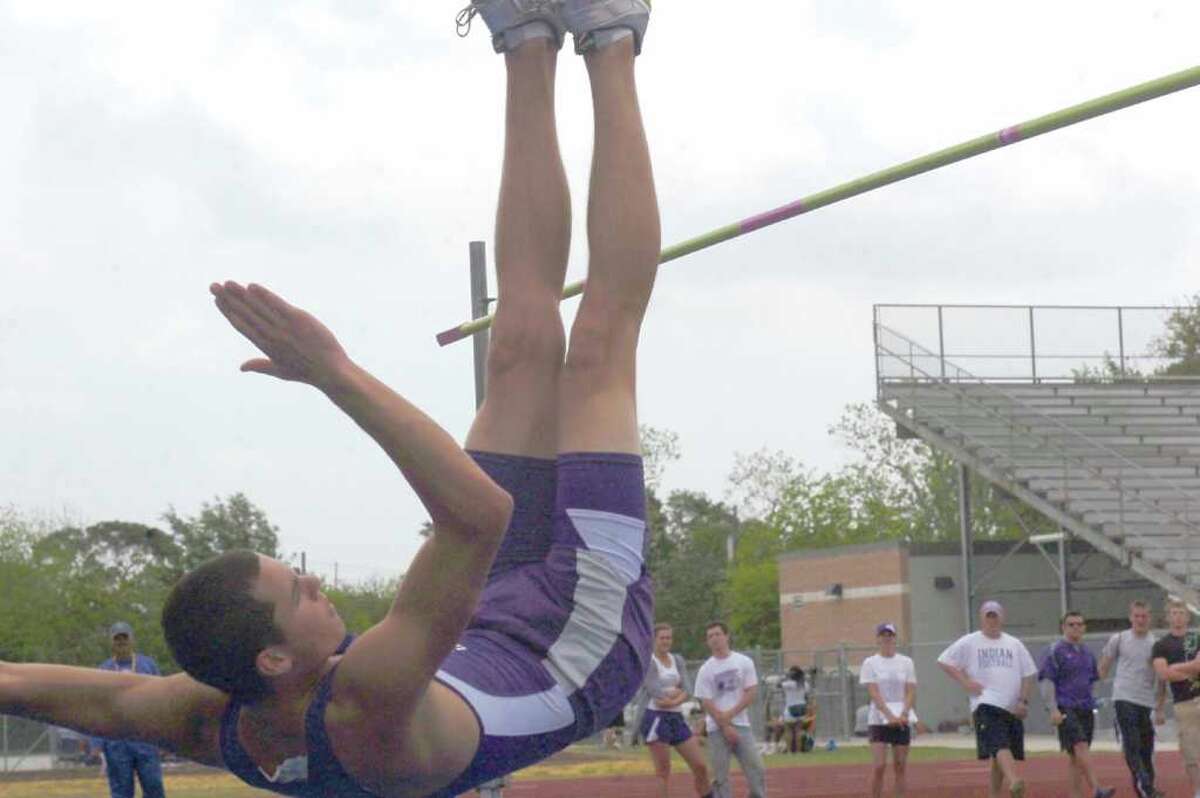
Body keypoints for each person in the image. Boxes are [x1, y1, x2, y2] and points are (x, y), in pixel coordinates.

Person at [0, 2, 661, 795]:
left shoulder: (221, 715)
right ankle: (613, 34)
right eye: (297, 590)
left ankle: (525, 38)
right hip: (578, 641)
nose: (315, 582)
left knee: (519, 340)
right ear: (276, 658)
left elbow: (100, 696)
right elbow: (479, 517)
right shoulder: (367, 711)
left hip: (473, 618)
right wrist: (333, 371)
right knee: (595, 351)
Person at [937, 600, 1037, 798]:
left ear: (1002, 618)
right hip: (986, 704)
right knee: (1000, 745)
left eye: (995, 616)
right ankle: (1015, 781)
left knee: (997, 755)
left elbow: (1028, 674)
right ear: (982, 618)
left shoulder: (1014, 644)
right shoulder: (970, 641)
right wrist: (965, 682)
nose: (992, 620)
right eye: (988, 616)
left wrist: (1023, 701)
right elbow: (944, 661)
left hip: (1011, 707)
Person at [1037, 612, 1116, 798]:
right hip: (1066, 706)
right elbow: (1046, 681)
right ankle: (1096, 788)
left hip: (1085, 707)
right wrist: (1053, 708)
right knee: (1080, 745)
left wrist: (1094, 700)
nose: (1076, 628)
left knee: (1076, 756)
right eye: (1071, 624)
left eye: (1079, 624)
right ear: (1063, 627)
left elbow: (1094, 680)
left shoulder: (1087, 653)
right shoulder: (1055, 651)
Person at [1098, 599, 1167, 798]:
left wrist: (1160, 706)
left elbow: (1161, 679)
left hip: (1146, 701)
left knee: (1147, 747)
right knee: (1132, 744)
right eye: (1137, 616)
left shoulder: (1156, 644)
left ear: (1150, 618)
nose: (1140, 620)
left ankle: (1147, 787)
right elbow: (1104, 665)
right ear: (1130, 617)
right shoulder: (1119, 639)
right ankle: (1145, 786)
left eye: (1144, 616)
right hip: (1123, 698)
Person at [91, 622, 167, 798]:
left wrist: (165, 739)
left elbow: (162, 702)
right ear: (111, 641)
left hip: (146, 738)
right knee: (121, 791)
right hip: (116, 741)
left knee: (154, 787)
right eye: (117, 638)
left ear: (132, 640)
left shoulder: (148, 665)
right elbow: (97, 707)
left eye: (124, 637)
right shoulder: (104, 670)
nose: (121, 642)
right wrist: (96, 743)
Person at [635, 623, 712, 798]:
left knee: (700, 766)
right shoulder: (648, 661)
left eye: (669, 637)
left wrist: (675, 697)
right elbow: (658, 697)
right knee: (663, 771)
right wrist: (677, 694)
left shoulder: (677, 660)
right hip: (655, 718)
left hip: (677, 718)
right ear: (654, 639)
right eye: (662, 638)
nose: (666, 641)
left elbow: (688, 689)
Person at [694, 621, 767, 798]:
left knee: (756, 769)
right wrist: (725, 725)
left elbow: (751, 692)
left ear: (727, 636)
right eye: (710, 636)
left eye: (718, 634)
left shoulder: (744, 662)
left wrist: (731, 714)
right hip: (716, 729)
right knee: (720, 777)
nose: (714, 639)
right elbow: (706, 701)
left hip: (742, 724)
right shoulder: (705, 670)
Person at [860, 622, 917, 798]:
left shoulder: (906, 662)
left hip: (901, 716)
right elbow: (874, 692)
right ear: (878, 639)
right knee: (879, 766)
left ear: (895, 638)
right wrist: (888, 715)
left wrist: (904, 713)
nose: (887, 638)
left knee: (900, 765)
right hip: (879, 718)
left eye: (890, 635)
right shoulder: (870, 662)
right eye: (883, 635)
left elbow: (910, 690)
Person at [1152, 598, 1200, 798]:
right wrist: (1160, 707)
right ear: (1167, 617)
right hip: (1183, 702)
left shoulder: (1196, 639)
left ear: (1188, 617)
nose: (1178, 617)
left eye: (1181, 613)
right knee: (1190, 751)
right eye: (1174, 613)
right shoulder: (1161, 645)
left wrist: (1177, 668)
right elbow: (1163, 675)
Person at [769, 666, 814, 754]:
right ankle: (798, 751)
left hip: (791, 708)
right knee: (798, 730)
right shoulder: (805, 684)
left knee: (788, 730)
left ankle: (789, 751)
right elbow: (807, 695)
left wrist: (785, 677)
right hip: (802, 708)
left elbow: (777, 685)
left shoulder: (789, 683)